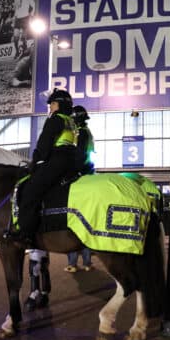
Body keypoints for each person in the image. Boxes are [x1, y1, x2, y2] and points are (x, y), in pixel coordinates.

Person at [16, 88, 77, 245]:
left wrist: (34, 162)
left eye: (52, 104)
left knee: (30, 191)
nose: (50, 107)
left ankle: (26, 233)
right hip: (71, 162)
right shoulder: (71, 121)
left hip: (57, 161)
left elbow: (44, 144)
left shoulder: (55, 120)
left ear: (59, 105)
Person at [66, 105, 95, 272]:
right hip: (88, 171)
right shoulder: (86, 131)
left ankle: (72, 263)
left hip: (80, 173)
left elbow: (80, 155)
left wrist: (71, 170)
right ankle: (86, 262)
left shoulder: (81, 133)